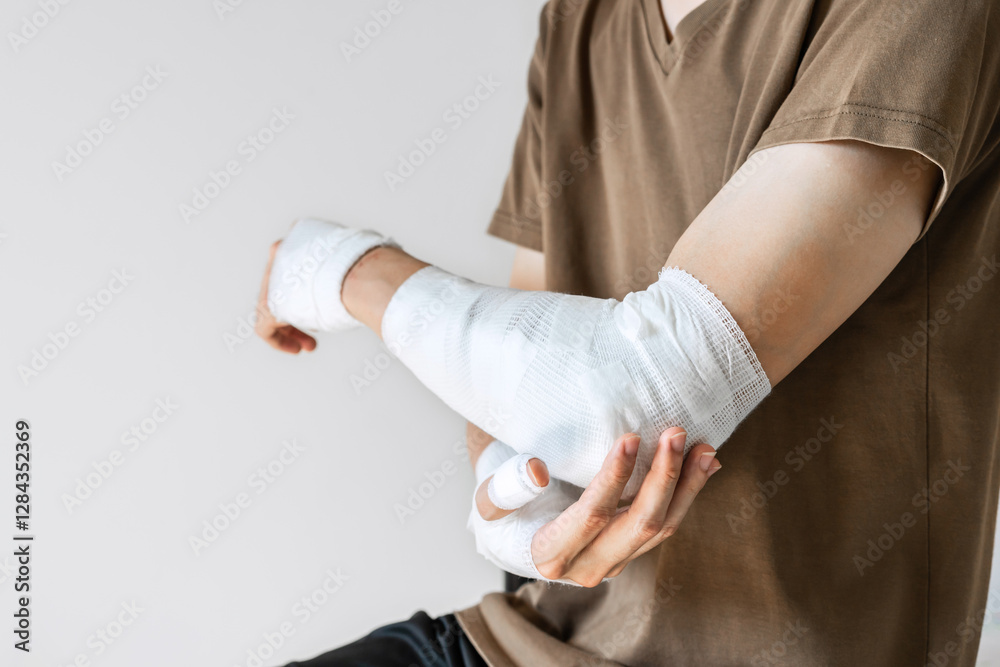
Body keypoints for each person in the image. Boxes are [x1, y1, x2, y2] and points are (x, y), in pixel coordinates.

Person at [257, 0, 1000, 664]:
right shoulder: (580, 20)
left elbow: (635, 389)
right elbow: (529, 391)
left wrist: (343, 270)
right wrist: (512, 498)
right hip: (536, 638)